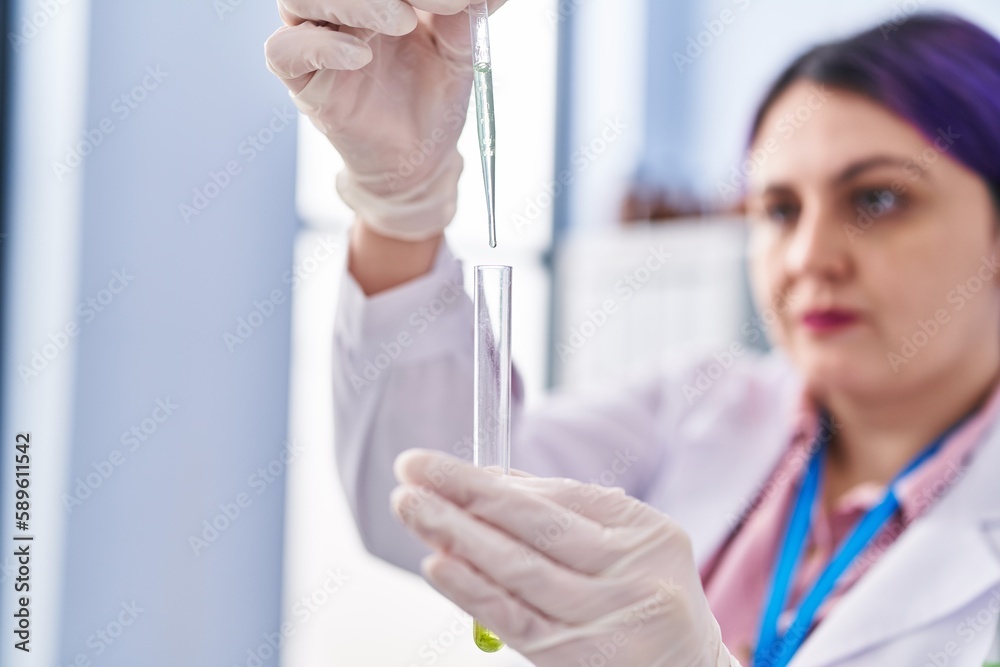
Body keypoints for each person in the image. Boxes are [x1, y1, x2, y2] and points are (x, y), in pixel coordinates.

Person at [266, 5, 1000, 665]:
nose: (809, 256)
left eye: (877, 198)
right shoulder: (697, 404)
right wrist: (402, 210)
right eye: (778, 209)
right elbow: (433, 498)